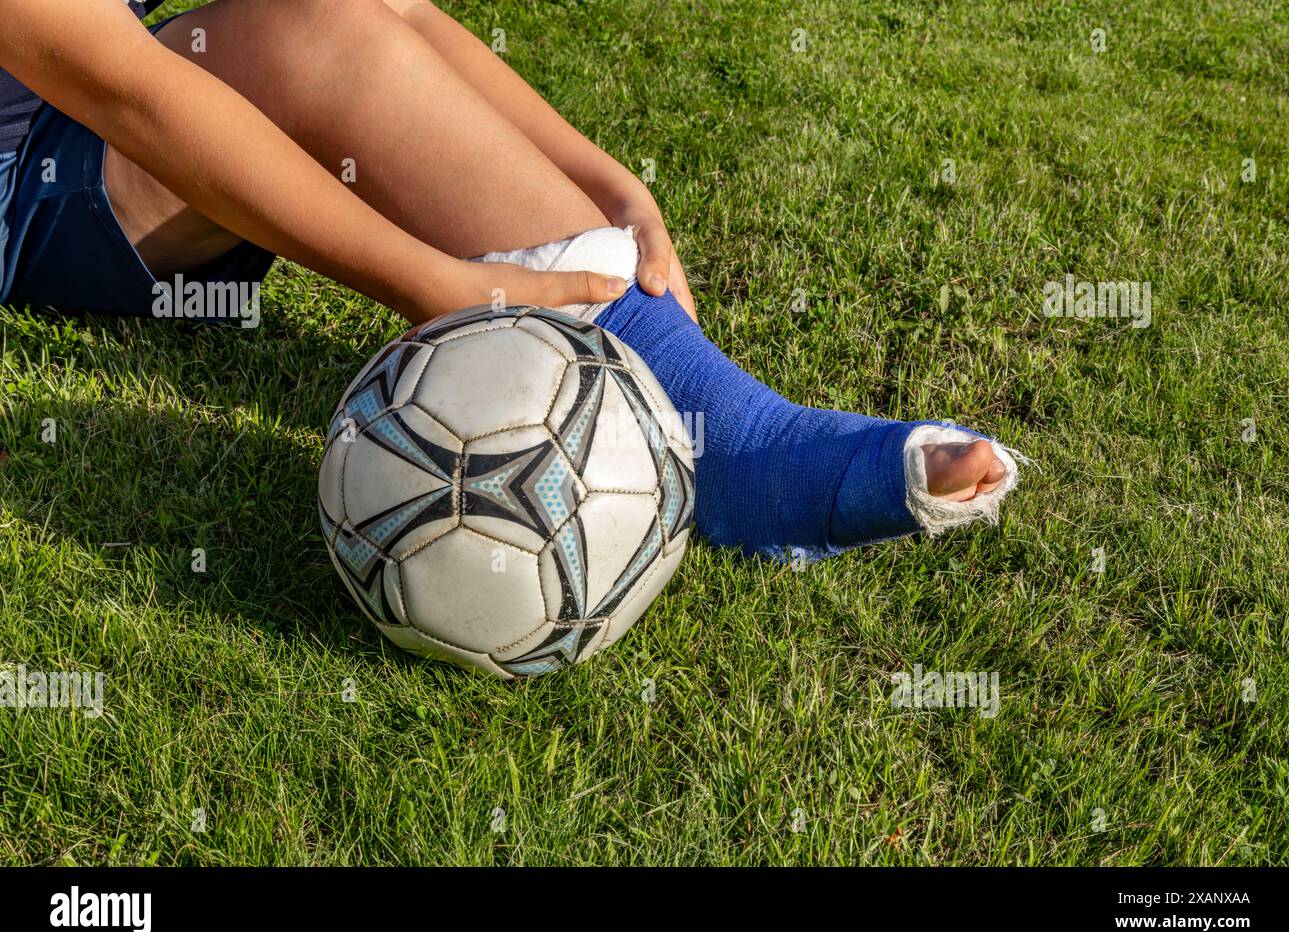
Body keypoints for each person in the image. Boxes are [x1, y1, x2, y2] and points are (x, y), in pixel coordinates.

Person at [0, 0, 1018, 561]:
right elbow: (117, 83)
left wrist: (605, 184)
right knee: (300, 43)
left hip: (68, 107)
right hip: (25, 179)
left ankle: (659, 366)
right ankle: (723, 451)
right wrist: (433, 283)